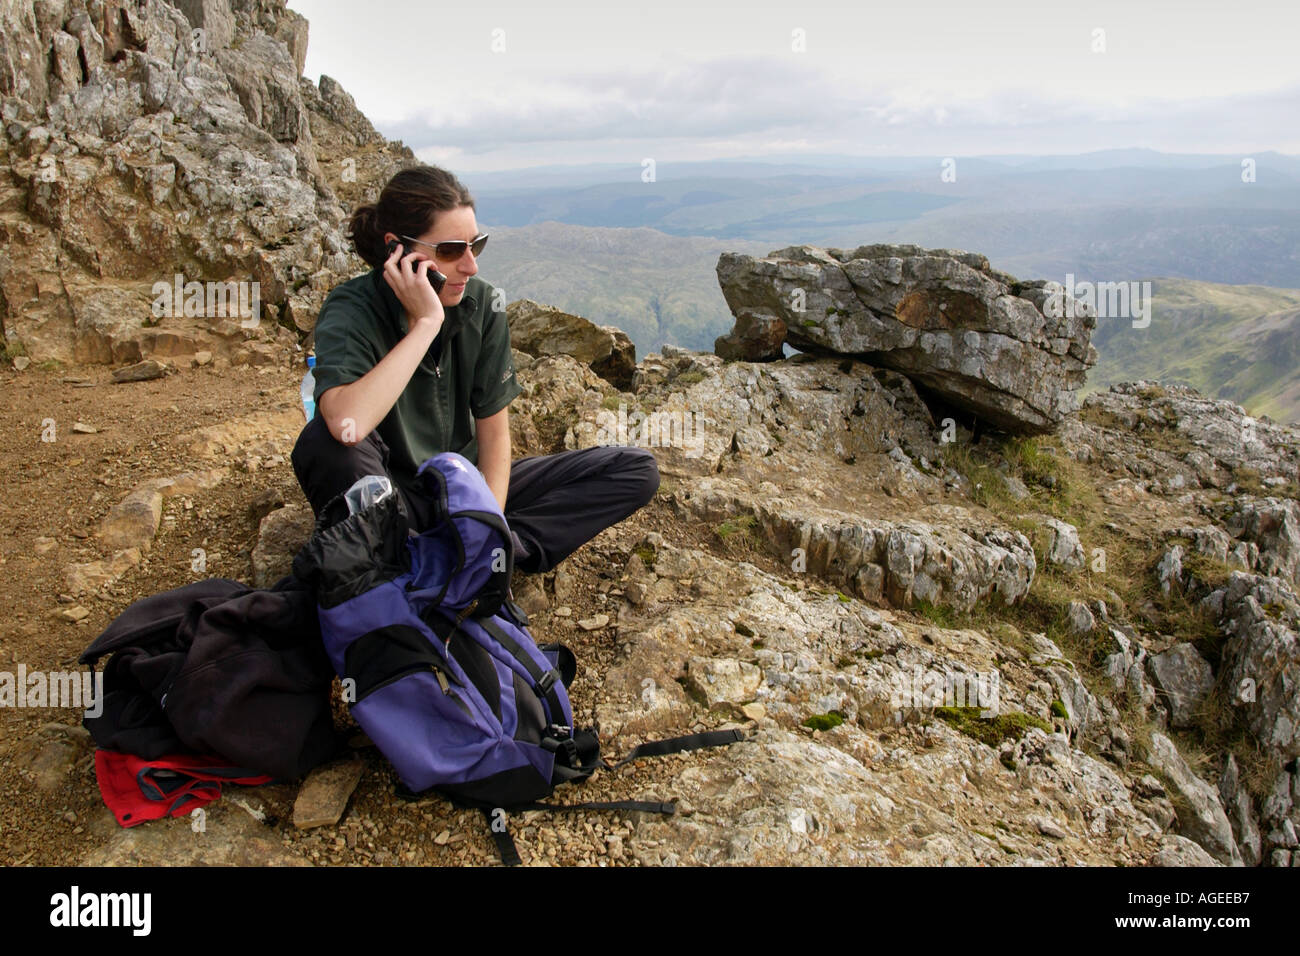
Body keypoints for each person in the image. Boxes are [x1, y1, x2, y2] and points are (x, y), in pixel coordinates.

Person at [291, 165, 659, 574]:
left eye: (476, 245)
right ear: (397, 248)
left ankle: (489, 556)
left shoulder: (481, 305)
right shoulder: (353, 309)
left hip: (464, 489)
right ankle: (418, 558)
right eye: (450, 251)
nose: (471, 266)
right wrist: (425, 325)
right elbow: (349, 421)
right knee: (324, 443)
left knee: (634, 470)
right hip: (392, 497)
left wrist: (487, 524)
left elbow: (494, 434)